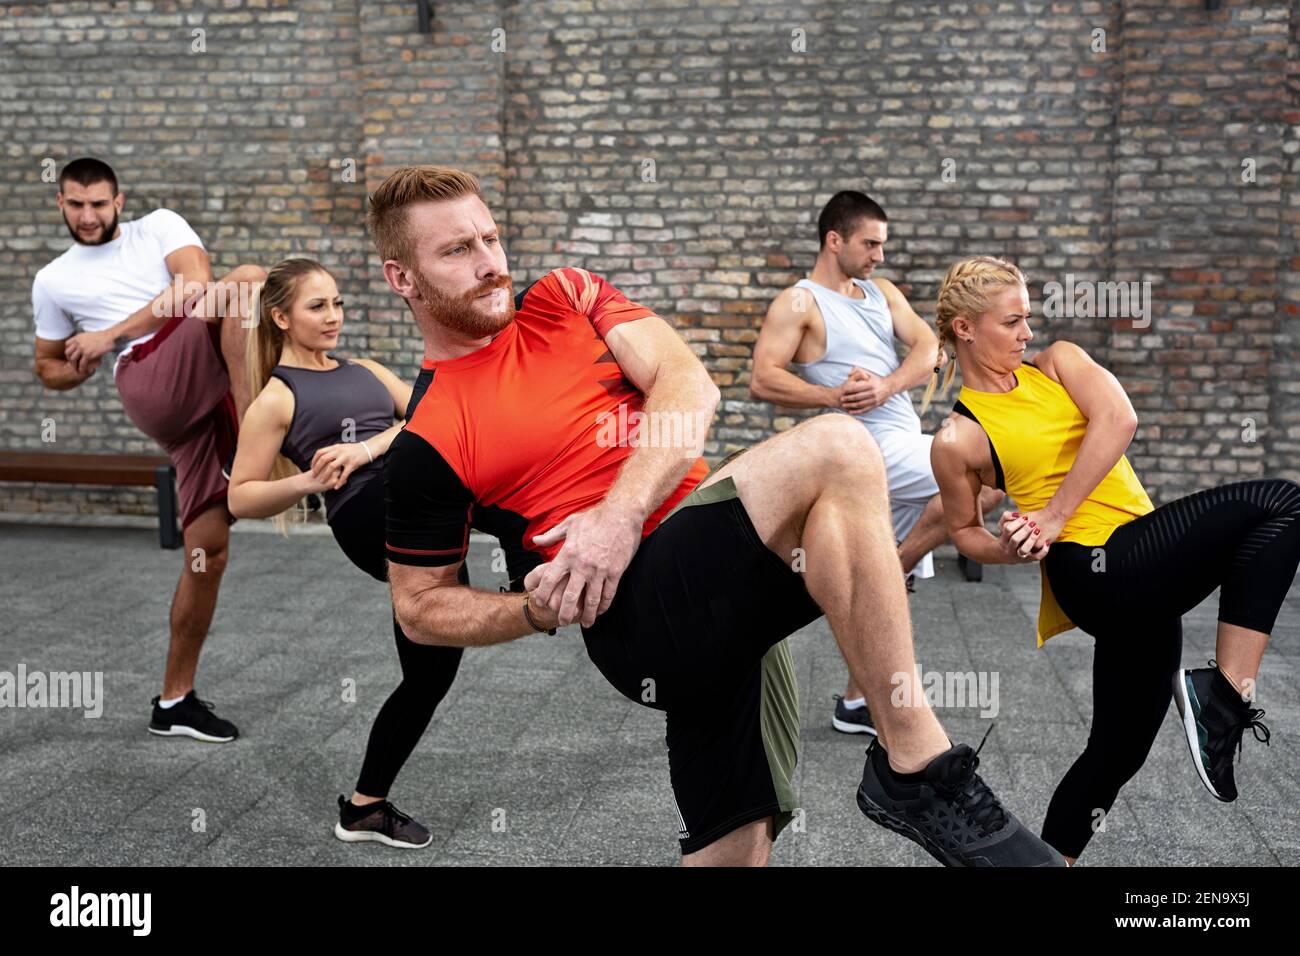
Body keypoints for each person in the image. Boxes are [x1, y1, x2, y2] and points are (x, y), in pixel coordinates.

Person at [372, 164, 1064, 867]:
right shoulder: (427, 440)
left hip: (718, 572)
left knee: (734, 850)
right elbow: (419, 608)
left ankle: (904, 764)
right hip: (639, 621)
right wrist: (533, 609)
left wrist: (617, 516)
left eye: (490, 238)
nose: (490, 264)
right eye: (456, 251)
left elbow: (688, 386)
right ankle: (915, 764)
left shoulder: (565, 296)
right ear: (403, 279)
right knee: (838, 448)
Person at [925, 255, 1294, 864]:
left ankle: (1049, 863)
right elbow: (964, 531)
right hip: (1091, 570)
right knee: (1282, 502)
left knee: (1117, 752)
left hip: (1136, 561)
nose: (1027, 333)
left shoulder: (1059, 364)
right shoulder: (958, 437)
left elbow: (1119, 418)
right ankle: (1222, 699)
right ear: (966, 328)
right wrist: (1012, 547)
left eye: (1028, 319)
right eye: (1012, 321)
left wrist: (1053, 513)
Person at [227, 257, 466, 848]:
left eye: (336, 303)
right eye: (317, 306)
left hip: (408, 490)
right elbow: (239, 497)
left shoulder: (365, 369)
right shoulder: (277, 399)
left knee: (430, 673)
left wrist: (371, 445)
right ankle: (533, 562)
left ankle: (365, 807)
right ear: (281, 317)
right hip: (367, 513)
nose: (333, 316)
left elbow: (429, 417)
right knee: (445, 463)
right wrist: (308, 483)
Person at [752, 191, 1004, 736]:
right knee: (985, 477)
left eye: (882, 244)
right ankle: (899, 560)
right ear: (834, 239)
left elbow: (929, 350)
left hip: (901, 438)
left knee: (880, 591)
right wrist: (833, 397)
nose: (879, 255)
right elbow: (763, 377)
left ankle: (856, 701)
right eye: (870, 243)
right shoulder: (800, 304)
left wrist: (888, 384)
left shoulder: (880, 293)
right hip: (860, 450)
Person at [31, 157, 262, 742]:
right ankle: (263, 434)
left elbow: (192, 284)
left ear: (119, 201)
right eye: (76, 205)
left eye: (99, 204)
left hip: (199, 390)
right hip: (151, 379)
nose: (88, 216)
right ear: (60, 203)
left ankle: (173, 700)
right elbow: (47, 368)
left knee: (206, 554)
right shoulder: (54, 279)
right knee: (248, 282)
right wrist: (83, 361)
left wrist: (107, 331)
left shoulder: (158, 225)